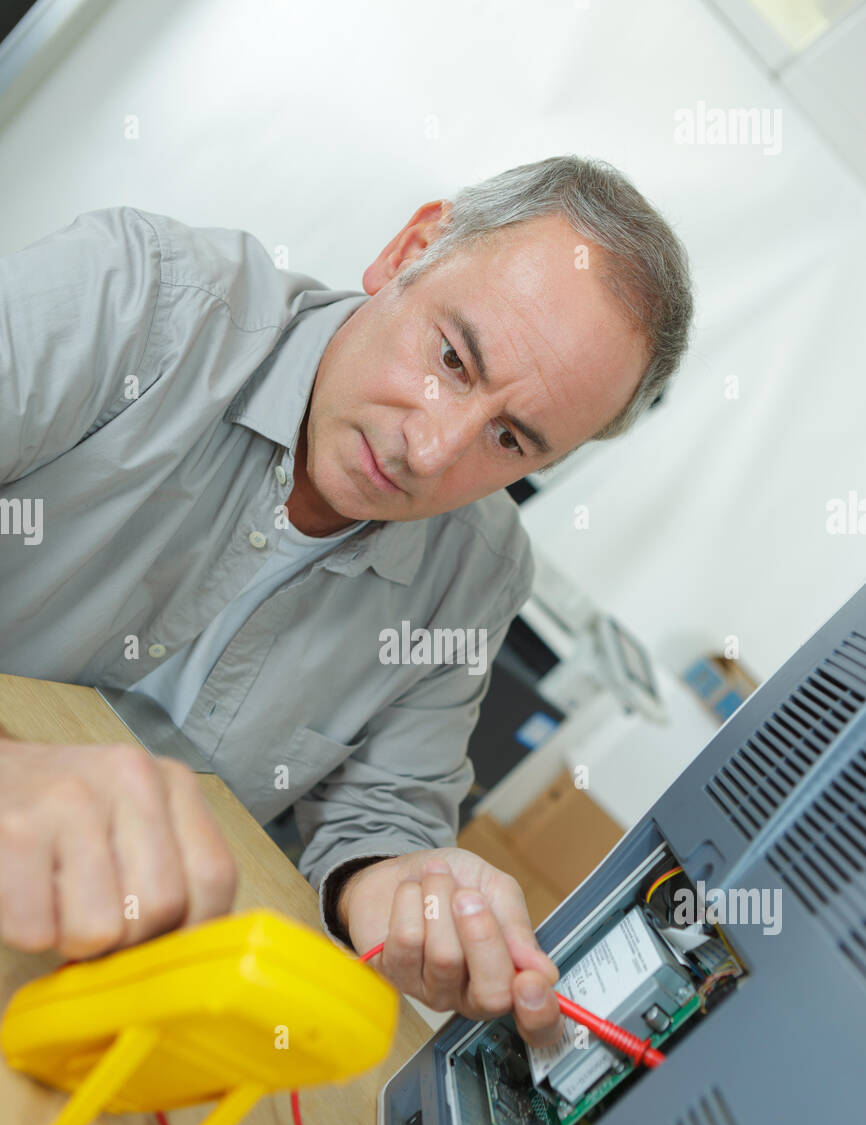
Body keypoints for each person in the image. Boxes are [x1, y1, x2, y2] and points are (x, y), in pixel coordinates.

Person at [0, 155, 693, 1047]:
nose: (431, 450)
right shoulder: (133, 299)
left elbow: (382, 815)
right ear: (411, 248)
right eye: (453, 358)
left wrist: (403, 891)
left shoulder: (477, 575)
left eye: (510, 438)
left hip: (89, 985)